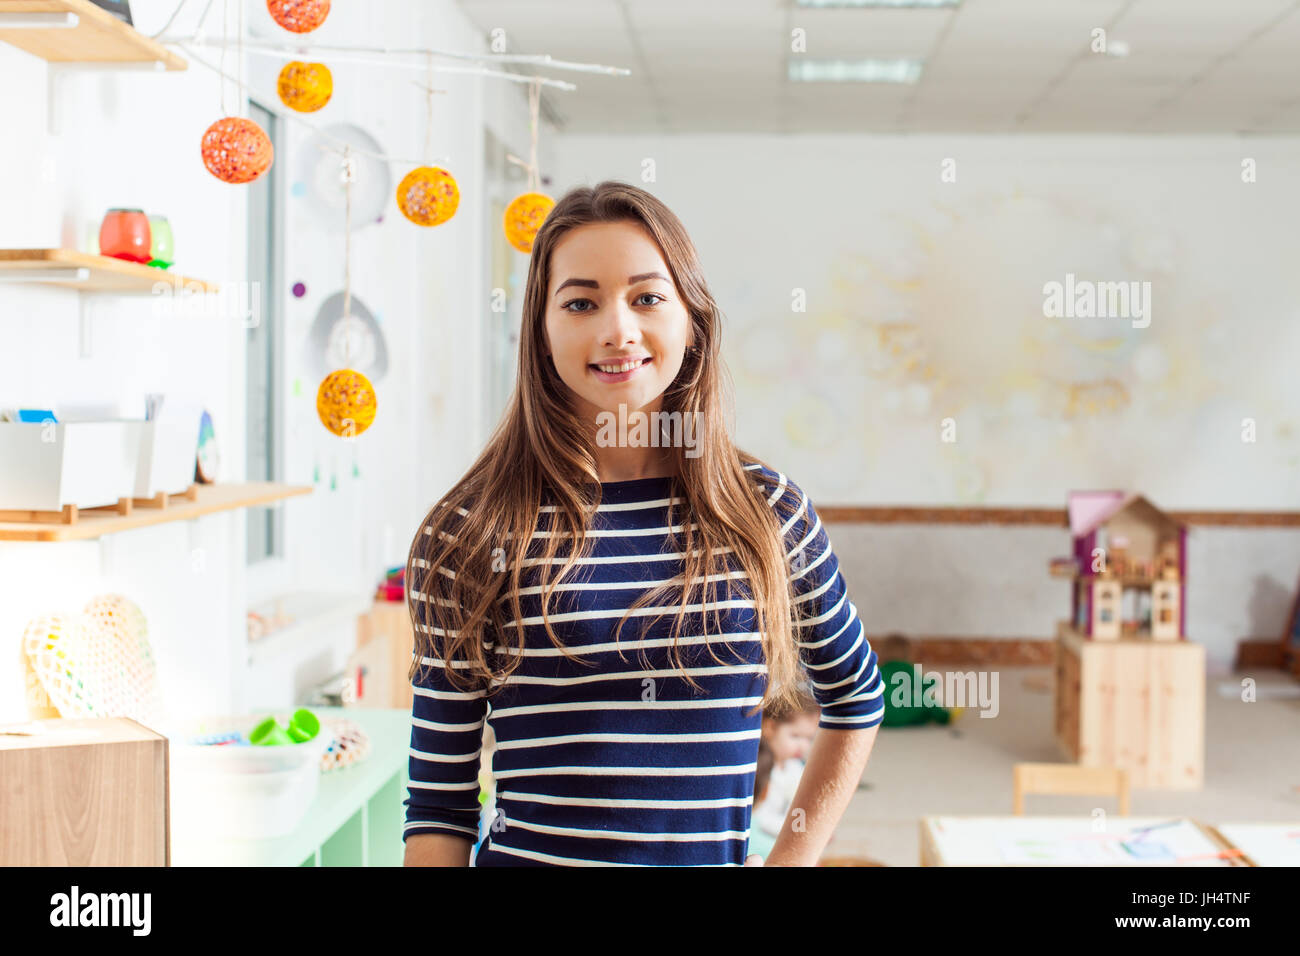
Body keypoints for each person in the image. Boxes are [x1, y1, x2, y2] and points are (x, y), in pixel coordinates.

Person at [401, 181, 883, 867]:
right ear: (541, 330)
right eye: (580, 301)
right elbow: (439, 799)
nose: (617, 329)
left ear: (693, 317)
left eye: (647, 297)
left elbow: (856, 698)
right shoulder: (469, 532)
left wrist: (792, 860)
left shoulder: (768, 514)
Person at [750, 686, 820, 856]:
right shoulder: (760, 768)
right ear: (770, 728)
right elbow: (758, 817)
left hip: (781, 831)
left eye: (809, 738)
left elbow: (798, 808)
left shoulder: (795, 768)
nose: (803, 746)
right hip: (757, 832)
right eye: (795, 736)